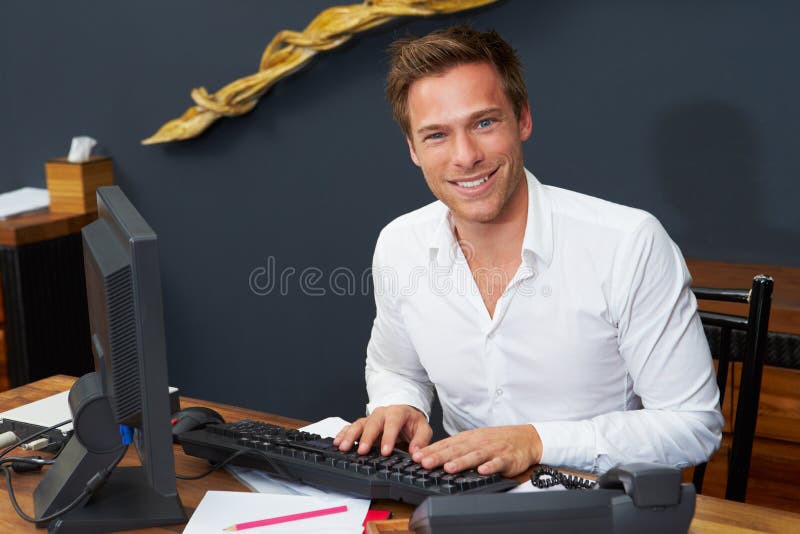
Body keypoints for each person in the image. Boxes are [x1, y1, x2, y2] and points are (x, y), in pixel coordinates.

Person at [333, 25, 723, 477]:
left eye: (484, 123)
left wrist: (537, 440)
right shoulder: (400, 244)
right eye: (436, 135)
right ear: (413, 149)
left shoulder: (628, 243)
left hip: (595, 510)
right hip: (460, 505)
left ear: (522, 119)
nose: (465, 156)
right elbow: (395, 368)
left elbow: (693, 426)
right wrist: (398, 403)